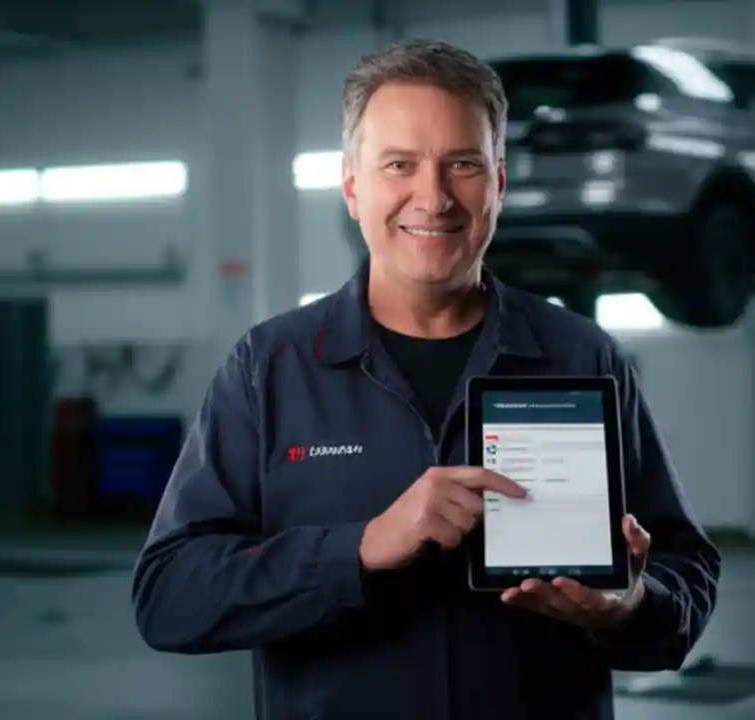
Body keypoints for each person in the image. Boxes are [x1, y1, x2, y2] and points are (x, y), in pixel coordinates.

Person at [132, 38, 720, 720]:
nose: (433, 197)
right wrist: (357, 549)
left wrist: (630, 606)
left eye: (462, 164)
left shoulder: (582, 357)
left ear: (499, 182)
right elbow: (169, 598)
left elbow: (686, 576)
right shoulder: (270, 369)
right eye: (399, 165)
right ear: (353, 187)